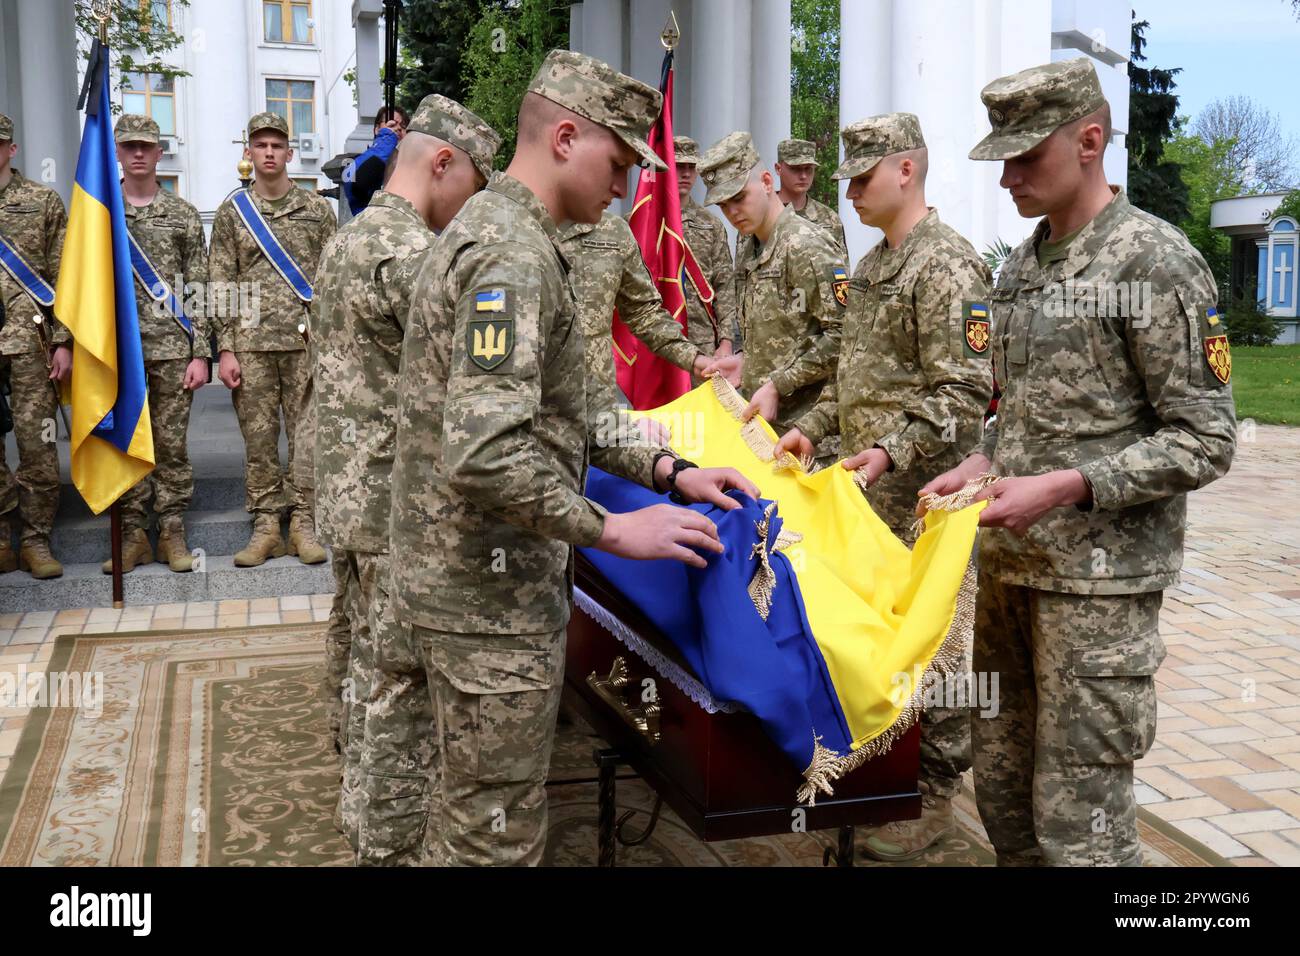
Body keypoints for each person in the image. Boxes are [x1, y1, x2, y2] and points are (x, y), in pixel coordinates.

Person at [388, 49, 758, 866]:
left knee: (454, 809)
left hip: (456, 588)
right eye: (619, 162)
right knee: (493, 833)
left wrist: (672, 473)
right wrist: (615, 532)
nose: (625, 188)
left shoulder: (509, 235)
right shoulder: (512, 256)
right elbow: (486, 453)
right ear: (564, 137)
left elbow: (583, 403)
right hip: (485, 603)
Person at [920, 57, 1237, 866]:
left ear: (1091, 140)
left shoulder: (1155, 263)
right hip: (1010, 576)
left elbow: (1207, 437)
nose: (1009, 179)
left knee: (1082, 829)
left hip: (1097, 598)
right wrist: (980, 463)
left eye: (1028, 157)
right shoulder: (1021, 267)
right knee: (1002, 802)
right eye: (1004, 159)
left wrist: (1070, 486)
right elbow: (1016, 410)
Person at [775, 112, 992, 860]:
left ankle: (932, 795)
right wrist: (818, 430)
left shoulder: (949, 268)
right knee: (885, 647)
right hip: (868, 503)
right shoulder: (870, 268)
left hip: (926, 500)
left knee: (941, 653)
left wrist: (891, 453)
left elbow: (964, 390)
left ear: (906, 171)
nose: (852, 195)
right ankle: (882, 771)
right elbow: (852, 374)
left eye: (862, 179)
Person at [314, 93, 502, 865]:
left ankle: (361, 813)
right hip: (397, 510)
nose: (472, 204)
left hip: (349, 498)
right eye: (474, 185)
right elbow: (465, 387)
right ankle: (389, 846)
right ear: (443, 162)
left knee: (365, 660)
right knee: (403, 689)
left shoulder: (348, 238)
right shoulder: (413, 256)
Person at [209, 111, 336, 567]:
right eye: (260, 145)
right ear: (249, 152)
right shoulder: (232, 212)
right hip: (251, 346)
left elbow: (333, 278)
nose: (268, 152)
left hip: (306, 345)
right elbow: (221, 282)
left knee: (308, 440)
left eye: (276, 145)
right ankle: (265, 525)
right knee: (259, 442)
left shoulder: (318, 210)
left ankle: (305, 521)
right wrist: (224, 348)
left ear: (288, 152)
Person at [107, 114, 210, 574]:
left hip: (173, 349)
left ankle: (171, 530)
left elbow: (201, 288)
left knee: (170, 446)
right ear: (118, 152)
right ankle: (132, 533)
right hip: (120, 352)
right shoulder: (101, 214)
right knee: (127, 441)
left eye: (146, 146)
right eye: (129, 146)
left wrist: (201, 353)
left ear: (159, 152)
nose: (138, 154)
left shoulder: (184, 215)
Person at [699, 132, 847, 447]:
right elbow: (781, 332)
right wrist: (745, 360)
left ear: (767, 182)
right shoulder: (750, 244)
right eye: (724, 205)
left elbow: (844, 336)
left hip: (807, 435)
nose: (733, 212)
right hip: (765, 430)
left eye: (739, 198)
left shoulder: (805, 244)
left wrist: (779, 384)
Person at [0, 111, 71, 579]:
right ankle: (3, 534)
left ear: (11, 148)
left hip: (32, 343)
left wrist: (64, 340)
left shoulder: (42, 200)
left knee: (38, 445)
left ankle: (35, 540)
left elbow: (65, 276)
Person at [674, 135, 739, 378]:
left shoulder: (710, 224)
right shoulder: (641, 222)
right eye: (679, 165)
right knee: (653, 416)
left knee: (698, 415)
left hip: (701, 342)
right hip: (654, 342)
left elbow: (723, 284)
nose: (686, 174)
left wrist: (725, 340)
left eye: (691, 167)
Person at [775, 137, 847, 257]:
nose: (803, 176)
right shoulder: (761, 215)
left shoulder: (829, 219)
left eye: (808, 169)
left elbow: (841, 269)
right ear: (778, 169)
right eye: (795, 168)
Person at [342, 105, 410, 214]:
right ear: (377, 129)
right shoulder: (351, 163)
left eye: (403, 126)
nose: (398, 128)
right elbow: (356, 186)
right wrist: (388, 138)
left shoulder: (411, 166)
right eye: (392, 123)